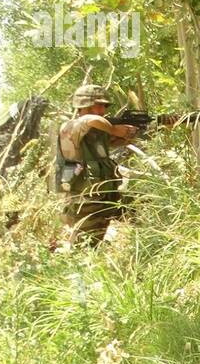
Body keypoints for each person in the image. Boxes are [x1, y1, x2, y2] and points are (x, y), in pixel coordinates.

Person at [53, 84, 139, 245]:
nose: (103, 110)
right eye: (98, 105)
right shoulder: (72, 126)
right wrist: (114, 129)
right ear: (83, 105)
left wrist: (137, 130)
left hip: (107, 195)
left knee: (145, 210)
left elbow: (119, 140)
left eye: (105, 106)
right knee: (85, 247)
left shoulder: (97, 133)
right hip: (85, 201)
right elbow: (92, 120)